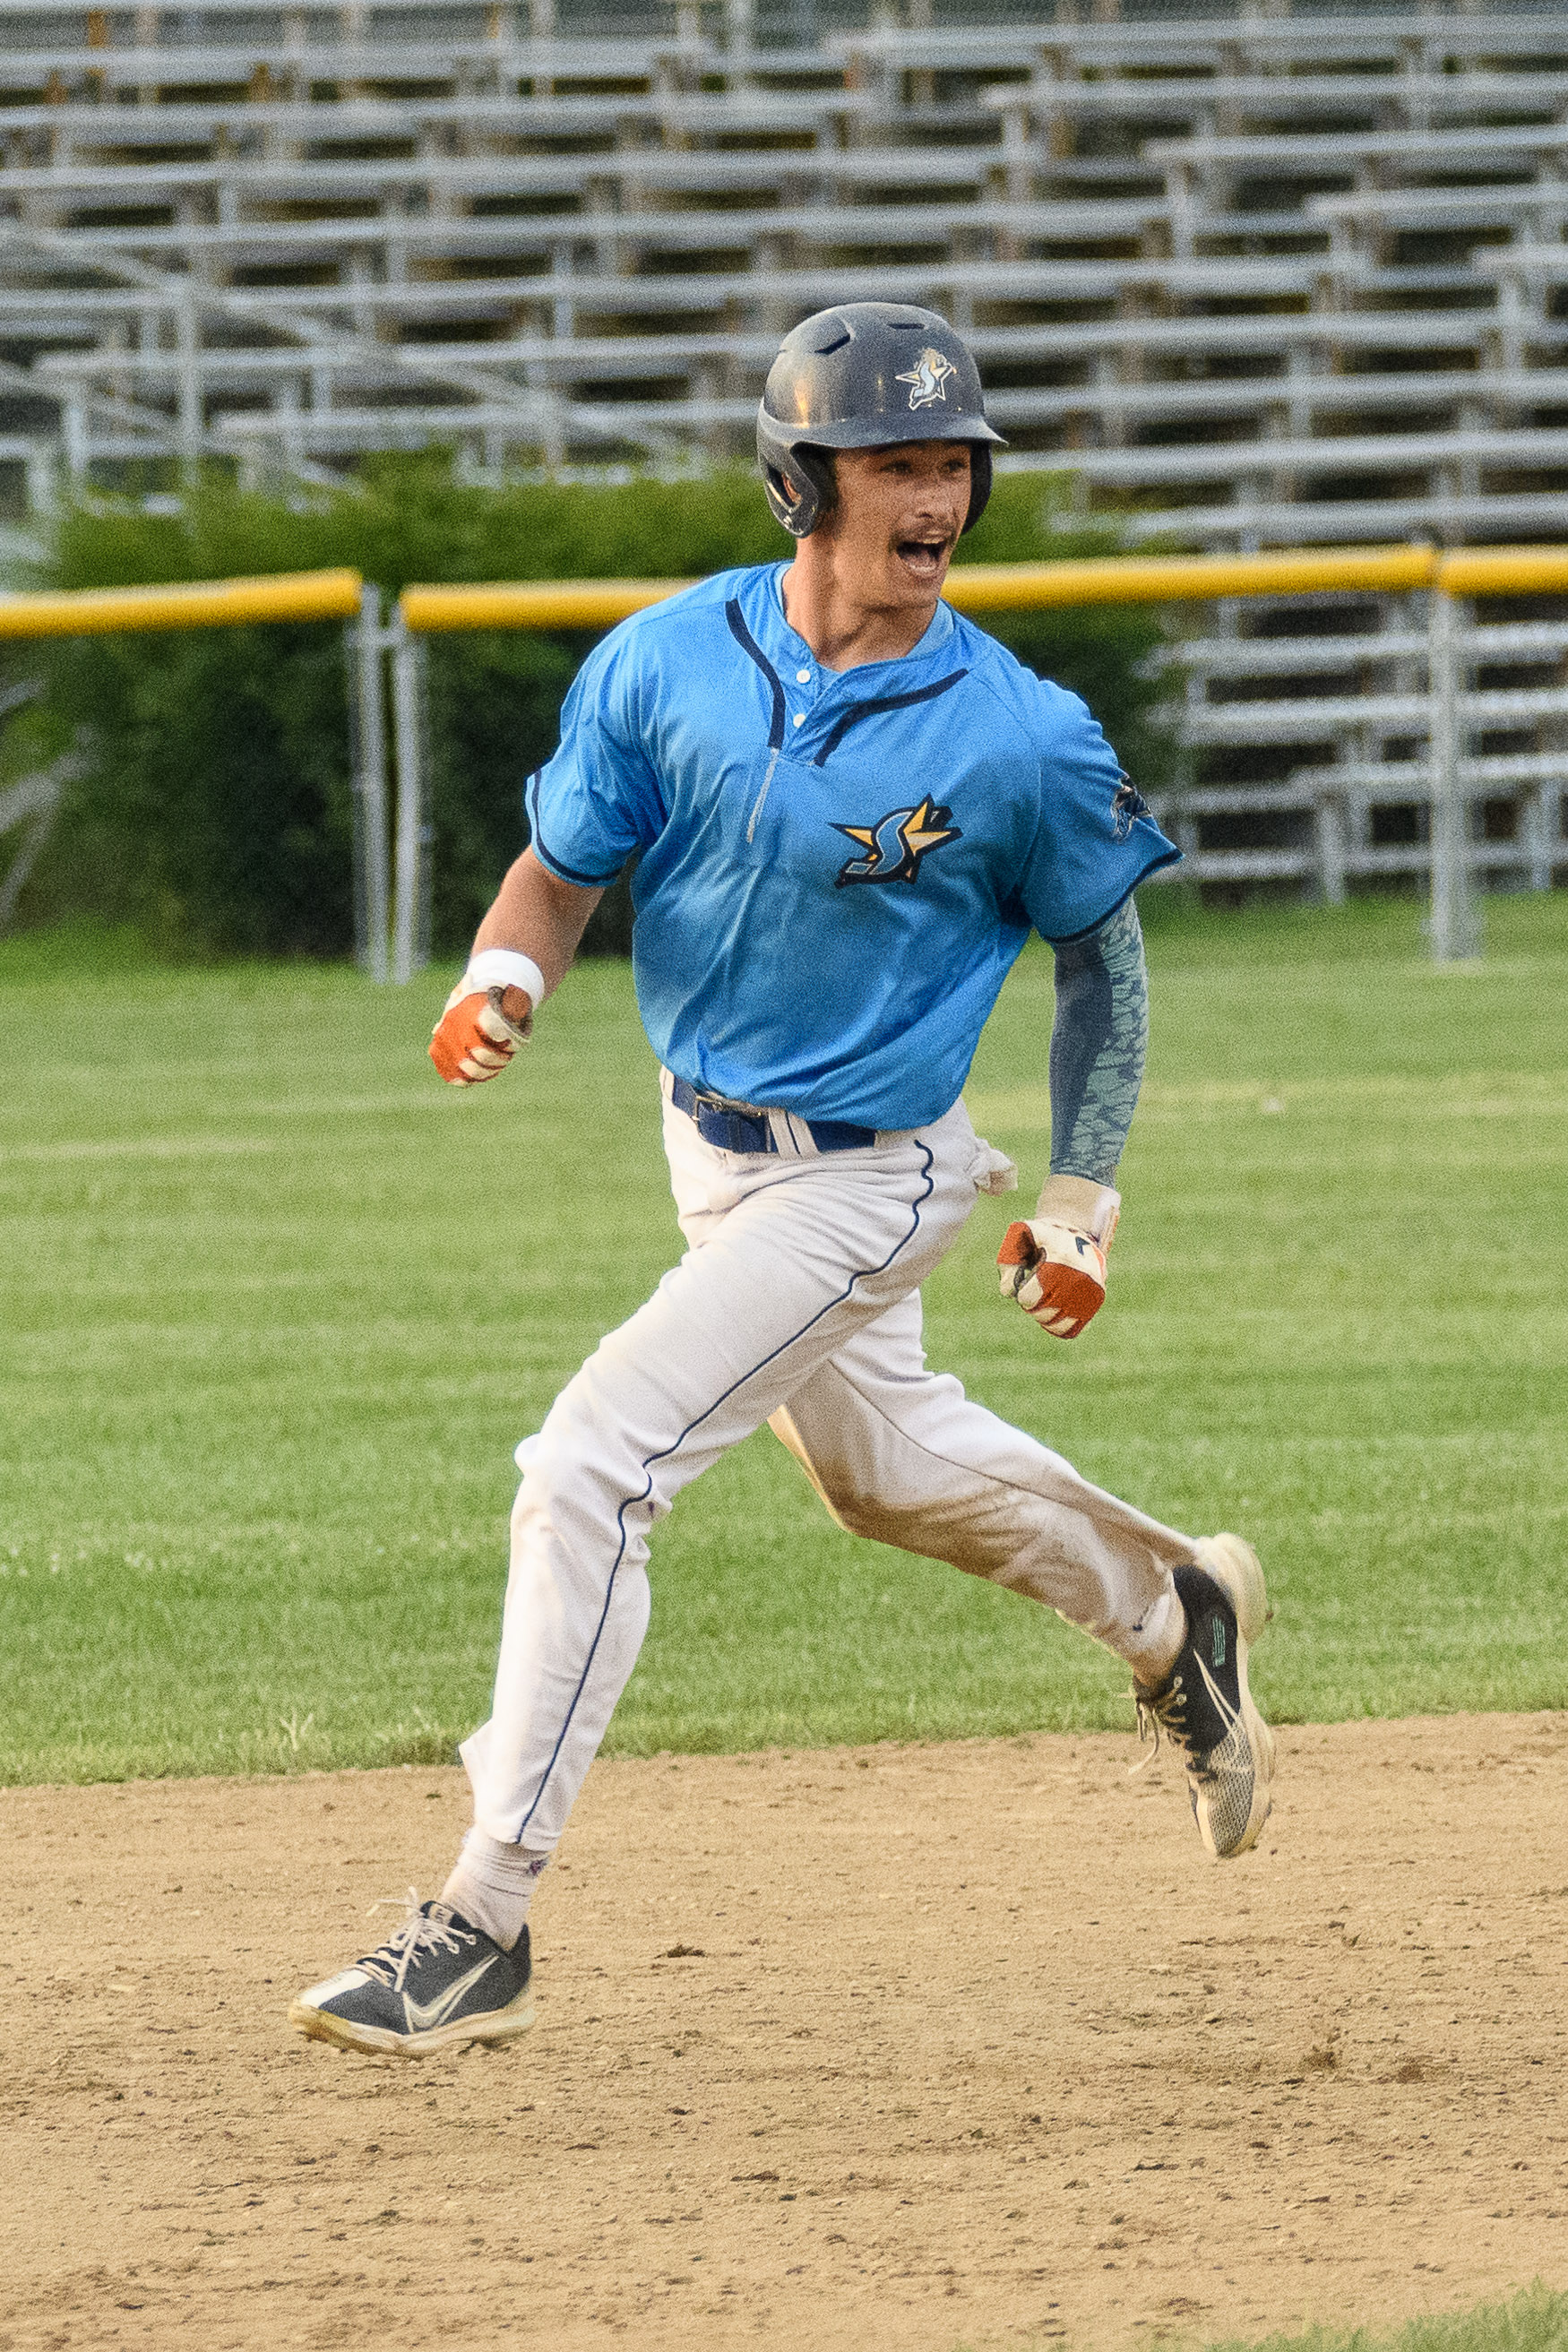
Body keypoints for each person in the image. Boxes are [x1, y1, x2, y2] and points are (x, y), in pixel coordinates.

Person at [289, 303, 1275, 2060]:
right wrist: (498, 976)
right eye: (895, 462)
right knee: (887, 1477)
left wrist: (1082, 1192)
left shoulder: (1016, 733)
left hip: (877, 1176)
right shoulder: (661, 663)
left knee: (590, 1459)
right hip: (705, 1145)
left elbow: (1102, 958)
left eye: (953, 462)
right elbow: (553, 871)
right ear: (800, 479)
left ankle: (482, 1913)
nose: (937, 496)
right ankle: (1167, 1610)